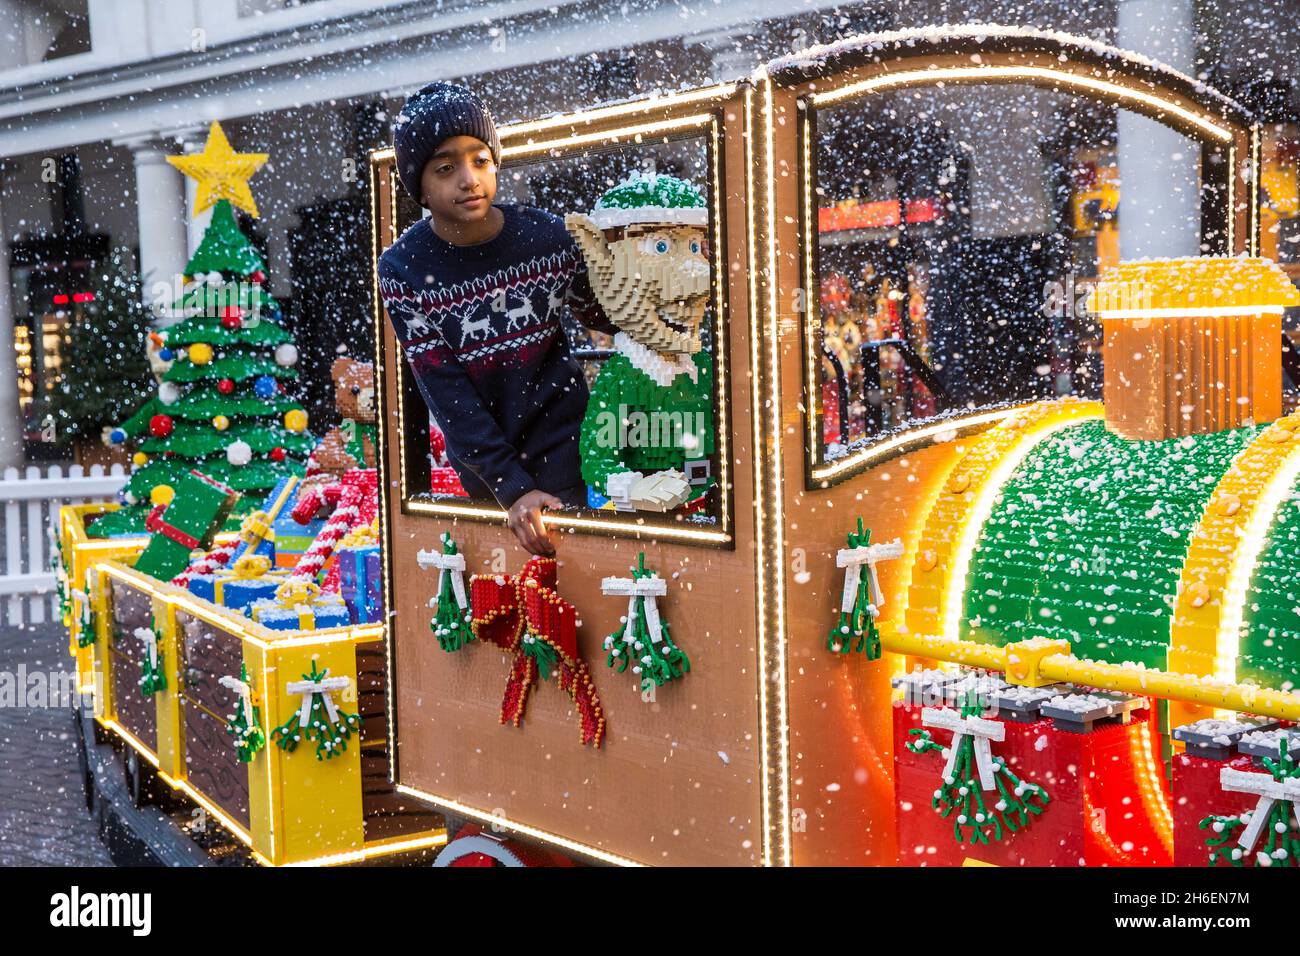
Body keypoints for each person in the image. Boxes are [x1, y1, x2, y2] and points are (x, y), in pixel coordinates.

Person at [377, 81, 616, 556]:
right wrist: (509, 484)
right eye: (446, 168)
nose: (469, 179)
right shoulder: (403, 268)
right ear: (418, 186)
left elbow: (607, 316)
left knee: (584, 581)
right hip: (488, 470)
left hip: (571, 443)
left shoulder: (546, 237)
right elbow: (446, 391)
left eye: (480, 160)